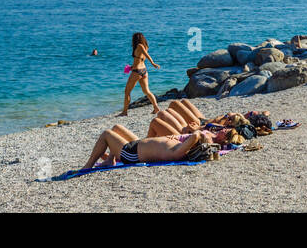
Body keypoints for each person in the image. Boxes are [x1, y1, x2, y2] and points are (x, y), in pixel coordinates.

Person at [82, 125, 213, 170]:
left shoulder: (179, 152)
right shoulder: (181, 147)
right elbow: (194, 138)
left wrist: (199, 133)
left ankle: (88, 166)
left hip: (131, 154)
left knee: (107, 134)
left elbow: (195, 136)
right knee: (117, 128)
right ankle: (110, 159)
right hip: (136, 146)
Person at [120, 32, 161, 116]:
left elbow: (147, 55)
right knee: (146, 91)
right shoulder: (145, 46)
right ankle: (156, 108)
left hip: (137, 72)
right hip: (143, 71)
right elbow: (140, 59)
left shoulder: (139, 46)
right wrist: (131, 67)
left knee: (127, 91)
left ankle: (124, 112)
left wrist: (153, 63)